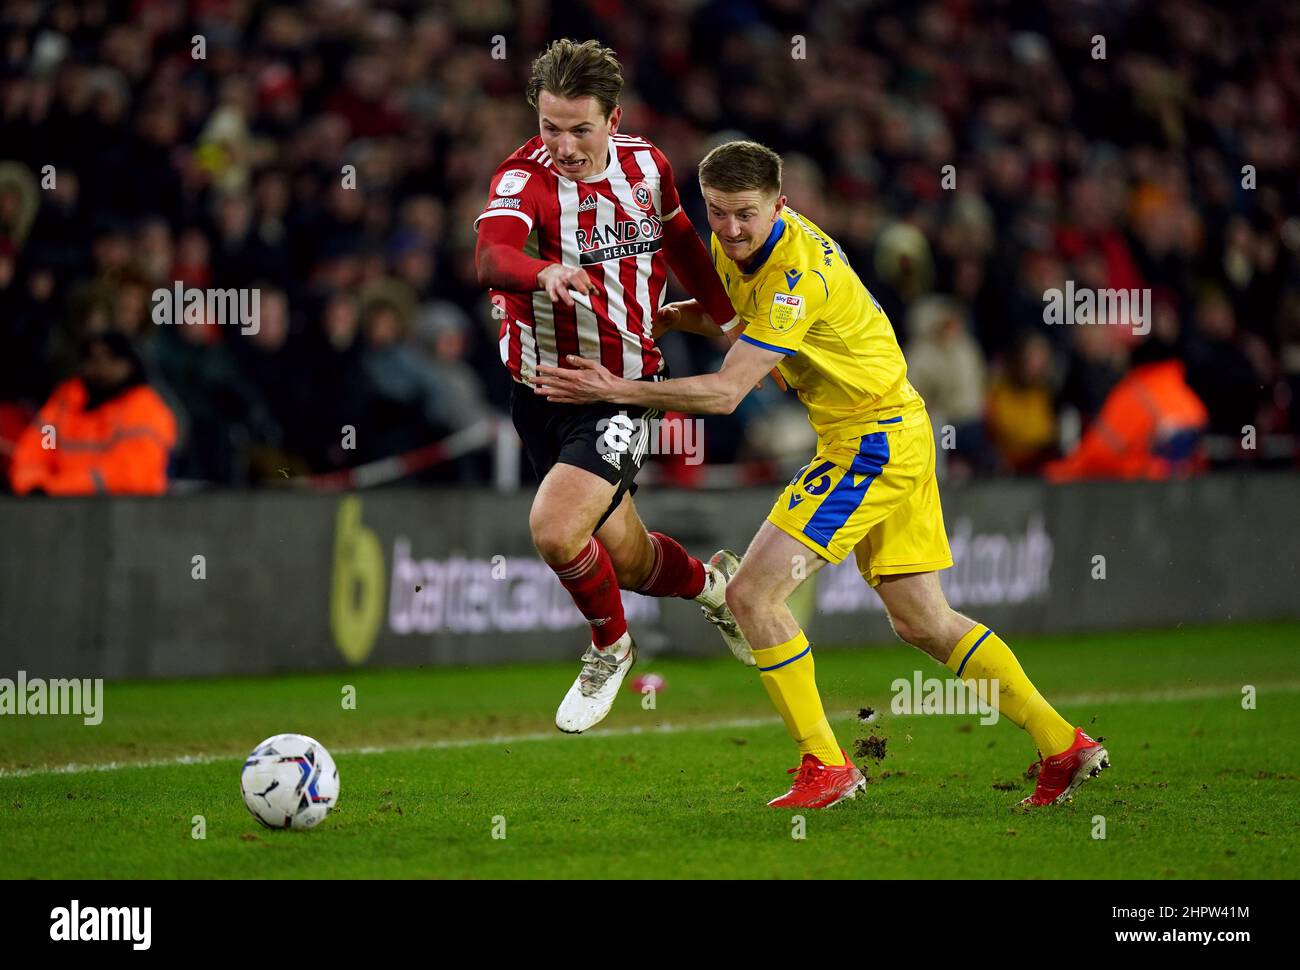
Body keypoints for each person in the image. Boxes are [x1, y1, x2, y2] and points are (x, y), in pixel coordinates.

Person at [536, 140, 1109, 809]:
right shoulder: (737, 247)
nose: (730, 228)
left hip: (871, 440)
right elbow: (729, 313)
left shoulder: (796, 275)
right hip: (892, 426)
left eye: (746, 213)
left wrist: (616, 386)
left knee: (750, 595)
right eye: (717, 213)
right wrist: (660, 319)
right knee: (922, 619)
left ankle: (826, 765)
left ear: (780, 203)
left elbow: (726, 394)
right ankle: (1061, 742)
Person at [473, 39, 753, 734]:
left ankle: (610, 647)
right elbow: (491, 254)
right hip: (540, 393)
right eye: (549, 127)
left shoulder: (647, 166)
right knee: (625, 559)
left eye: (579, 128)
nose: (562, 146)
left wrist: (723, 314)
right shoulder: (523, 180)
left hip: (620, 386)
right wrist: (543, 273)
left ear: (613, 118)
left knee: (555, 529)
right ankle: (720, 589)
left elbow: (680, 237)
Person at [9, 331, 176, 495]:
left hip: (125, 515)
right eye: (93, 359)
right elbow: (34, 454)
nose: (101, 367)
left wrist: (56, 488)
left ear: (129, 364)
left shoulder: (144, 409)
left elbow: (130, 475)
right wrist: (36, 485)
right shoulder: (64, 404)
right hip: (59, 510)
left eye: (111, 359)